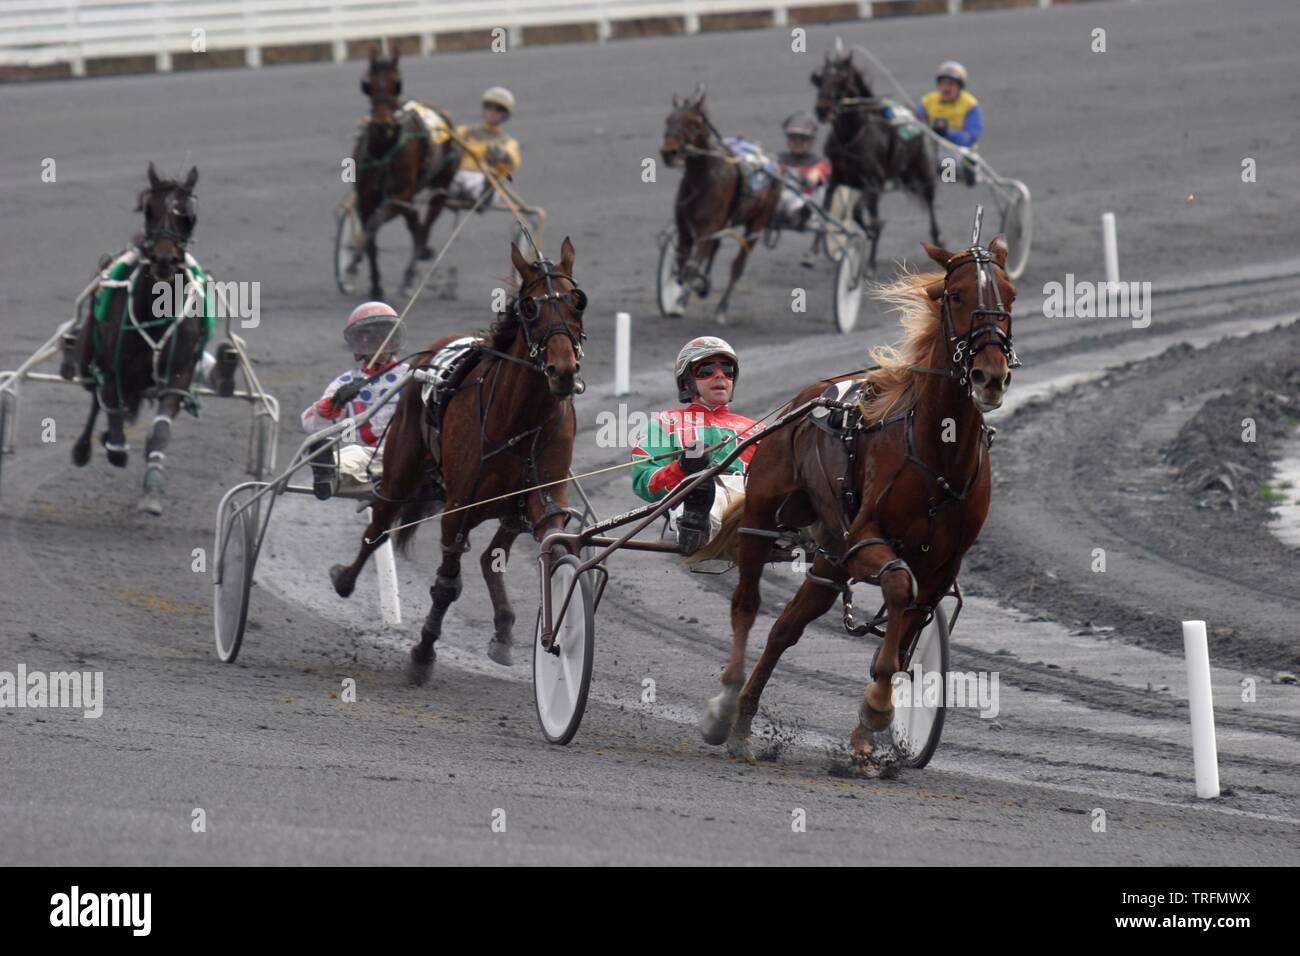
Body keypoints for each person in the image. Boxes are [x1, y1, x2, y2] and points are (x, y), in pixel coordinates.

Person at [631, 337, 761, 555]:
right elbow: (645, 482)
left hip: (753, 499)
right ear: (686, 381)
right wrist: (683, 468)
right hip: (693, 495)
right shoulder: (663, 423)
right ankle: (696, 523)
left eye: (727, 370)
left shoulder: (757, 428)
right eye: (706, 369)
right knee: (704, 490)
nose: (720, 375)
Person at [301, 301, 410, 500]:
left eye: (385, 335)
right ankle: (328, 474)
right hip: (366, 456)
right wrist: (333, 405)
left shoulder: (413, 377)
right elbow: (311, 425)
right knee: (348, 456)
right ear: (358, 343)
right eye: (370, 337)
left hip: (407, 453)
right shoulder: (344, 383)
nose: (380, 342)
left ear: (395, 338)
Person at [450, 87, 522, 207]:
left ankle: (478, 194)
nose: (492, 112)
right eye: (489, 106)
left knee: (480, 180)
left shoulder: (507, 142)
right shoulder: (464, 131)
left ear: (505, 115)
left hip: (483, 182)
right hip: (457, 176)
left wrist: (503, 156)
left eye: (499, 109)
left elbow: (512, 163)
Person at [915, 61, 983, 187]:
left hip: (959, 152)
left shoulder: (970, 105)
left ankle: (962, 173)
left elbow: (971, 137)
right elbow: (915, 122)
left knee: (947, 160)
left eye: (951, 84)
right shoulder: (928, 101)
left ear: (959, 87)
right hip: (932, 150)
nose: (945, 88)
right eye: (943, 84)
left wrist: (946, 133)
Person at [774, 111, 831, 231]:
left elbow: (814, 179)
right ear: (788, 141)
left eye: (803, 140)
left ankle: (801, 215)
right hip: (782, 199)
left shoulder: (819, 163)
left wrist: (810, 178)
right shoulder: (780, 159)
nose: (798, 143)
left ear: (811, 142)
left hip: (807, 202)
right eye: (794, 139)